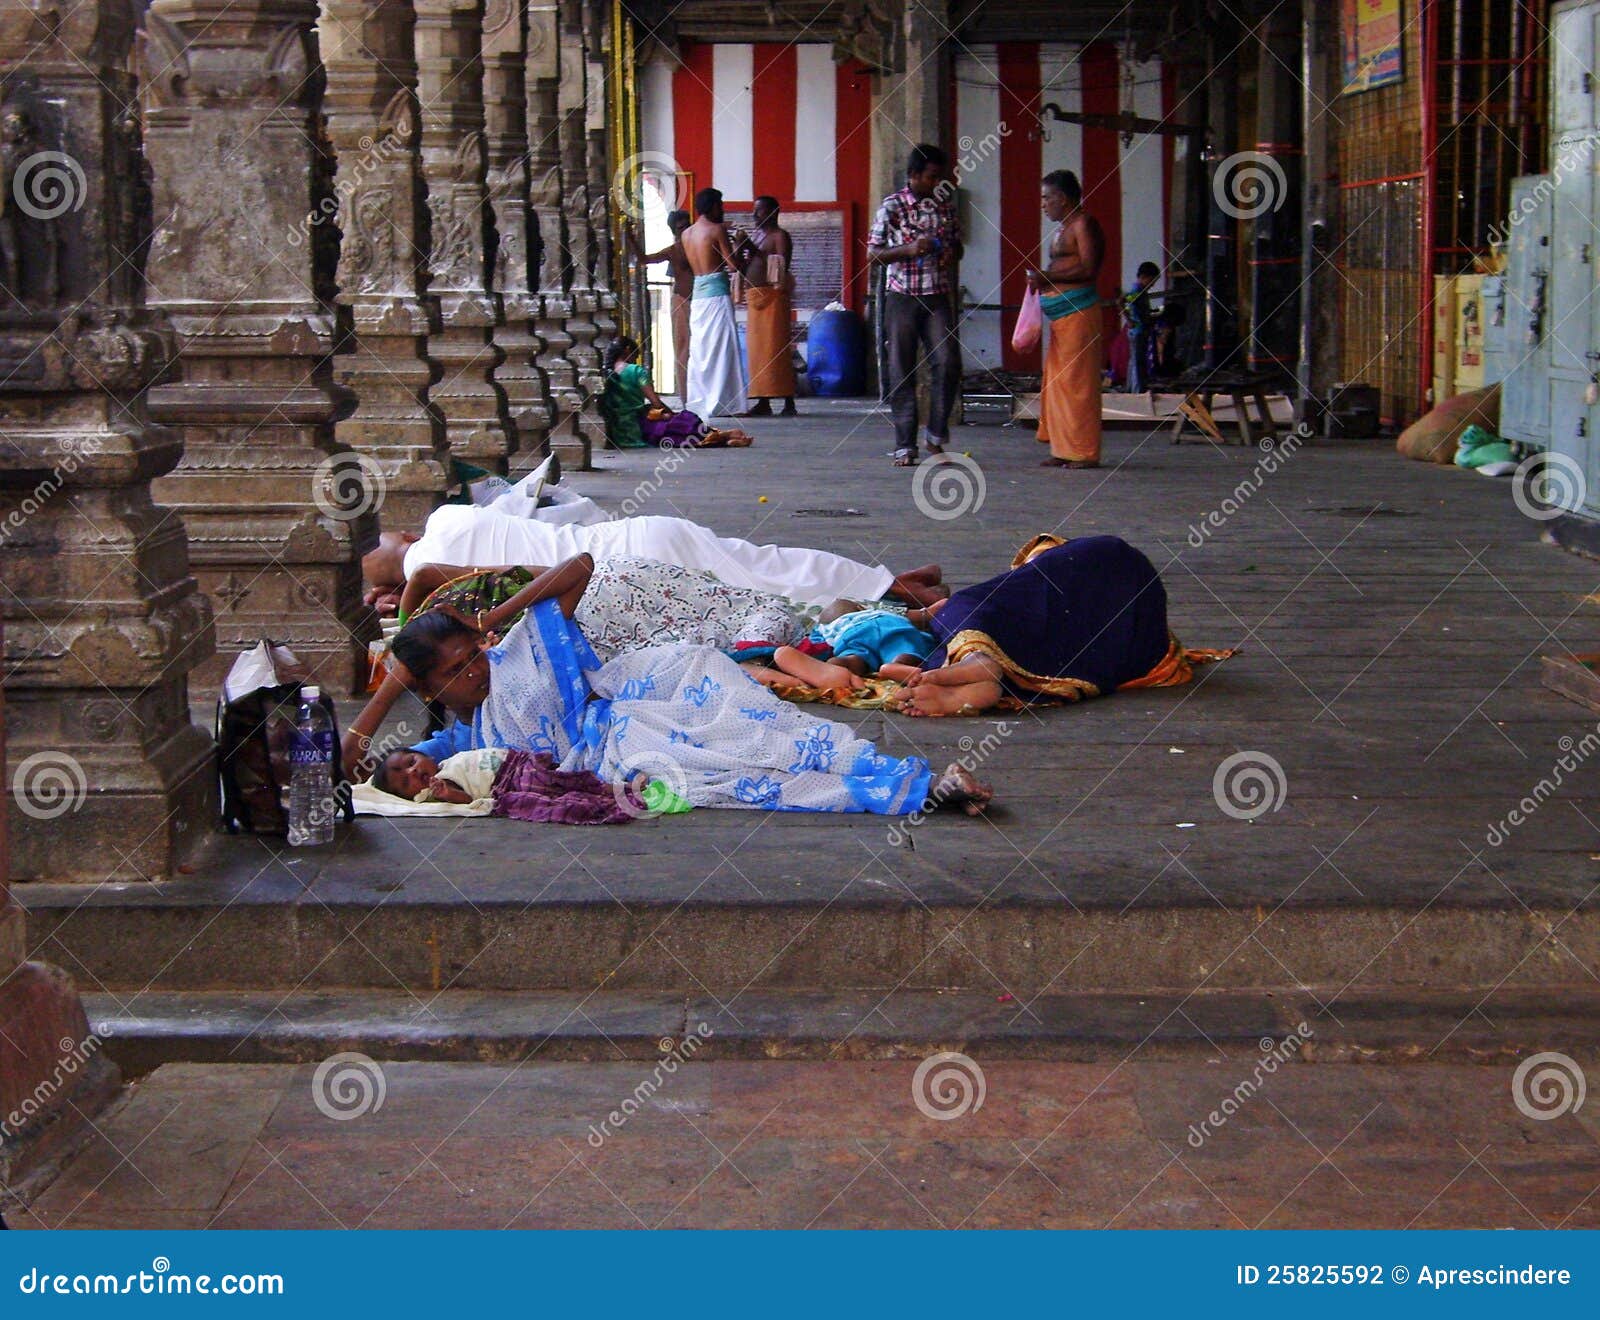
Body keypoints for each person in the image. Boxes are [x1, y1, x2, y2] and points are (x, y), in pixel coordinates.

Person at [370, 562, 995, 816]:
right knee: (745, 775)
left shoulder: (517, 652)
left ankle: (901, 774)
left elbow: (579, 566)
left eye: (468, 658)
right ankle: (917, 794)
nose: (472, 672)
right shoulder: (464, 740)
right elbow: (410, 770)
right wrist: (367, 728)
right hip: (620, 753)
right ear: (428, 689)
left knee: (778, 732)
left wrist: (497, 618)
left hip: (644, 697)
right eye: (451, 674)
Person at [361, 507, 950, 617]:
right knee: (765, 561)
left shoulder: (424, 580)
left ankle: (890, 592)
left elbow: (424, 609)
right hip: (638, 535)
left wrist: (392, 601)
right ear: (406, 533)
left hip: (626, 573)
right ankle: (887, 581)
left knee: (764, 594)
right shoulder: (445, 518)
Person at [889, 535, 1228, 716]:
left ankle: (975, 661)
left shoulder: (1047, 568)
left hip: (1130, 630)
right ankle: (976, 663)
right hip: (1141, 635)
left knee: (969, 607)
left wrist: (917, 617)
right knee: (974, 610)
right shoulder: (1082, 556)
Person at [868, 144, 962, 466]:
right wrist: (908, 250)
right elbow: (873, 254)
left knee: (948, 363)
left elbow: (956, 245)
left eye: (940, 177)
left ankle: (936, 436)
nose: (937, 183)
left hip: (937, 294)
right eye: (932, 177)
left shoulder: (946, 207)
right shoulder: (891, 207)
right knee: (902, 369)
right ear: (914, 175)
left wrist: (951, 252)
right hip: (902, 297)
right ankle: (905, 444)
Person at [1030, 170, 1106, 470]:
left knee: (1079, 384)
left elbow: (1088, 268)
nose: (1043, 204)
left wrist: (1047, 276)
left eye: (1047, 198)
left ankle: (1084, 451)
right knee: (1060, 383)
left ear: (1062, 198)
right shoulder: (1064, 227)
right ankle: (1063, 448)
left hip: (1080, 314)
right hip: (1062, 317)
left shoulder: (1084, 224)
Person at [681, 188, 748, 420]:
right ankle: (724, 401)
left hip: (698, 297)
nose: (723, 209)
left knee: (701, 350)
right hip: (717, 295)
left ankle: (702, 399)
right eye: (720, 205)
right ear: (711, 207)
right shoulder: (717, 230)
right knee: (722, 348)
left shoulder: (686, 234)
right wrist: (739, 243)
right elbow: (733, 266)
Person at [735, 196, 797, 417]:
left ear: (774, 212)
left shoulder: (780, 236)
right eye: (754, 210)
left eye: (760, 211)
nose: (755, 215)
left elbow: (779, 265)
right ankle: (763, 401)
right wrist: (741, 247)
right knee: (758, 352)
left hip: (773, 298)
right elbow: (747, 262)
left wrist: (751, 246)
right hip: (756, 299)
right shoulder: (758, 236)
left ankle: (789, 401)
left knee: (776, 349)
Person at [599, 336, 712, 449]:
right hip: (638, 425)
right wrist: (671, 414)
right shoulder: (636, 371)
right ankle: (718, 436)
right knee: (688, 419)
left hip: (617, 430)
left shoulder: (606, 373)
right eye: (635, 355)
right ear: (628, 349)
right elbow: (656, 404)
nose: (634, 359)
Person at [628, 209, 694, 395]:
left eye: (688, 226)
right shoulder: (674, 250)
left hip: (701, 302)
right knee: (683, 349)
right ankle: (687, 396)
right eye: (681, 228)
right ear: (674, 231)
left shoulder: (697, 245)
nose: (686, 230)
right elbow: (645, 259)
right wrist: (632, 240)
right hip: (682, 301)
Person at [1122, 261, 1159, 395]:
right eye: (1152, 280)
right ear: (1143, 277)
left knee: (1135, 360)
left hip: (1141, 330)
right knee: (1137, 361)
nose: (1153, 284)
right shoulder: (1137, 291)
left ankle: (1132, 387)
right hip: (1137, 331)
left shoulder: (1141, 291)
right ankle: (1137, 390)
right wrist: (1129, 320)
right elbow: (1121, 301)